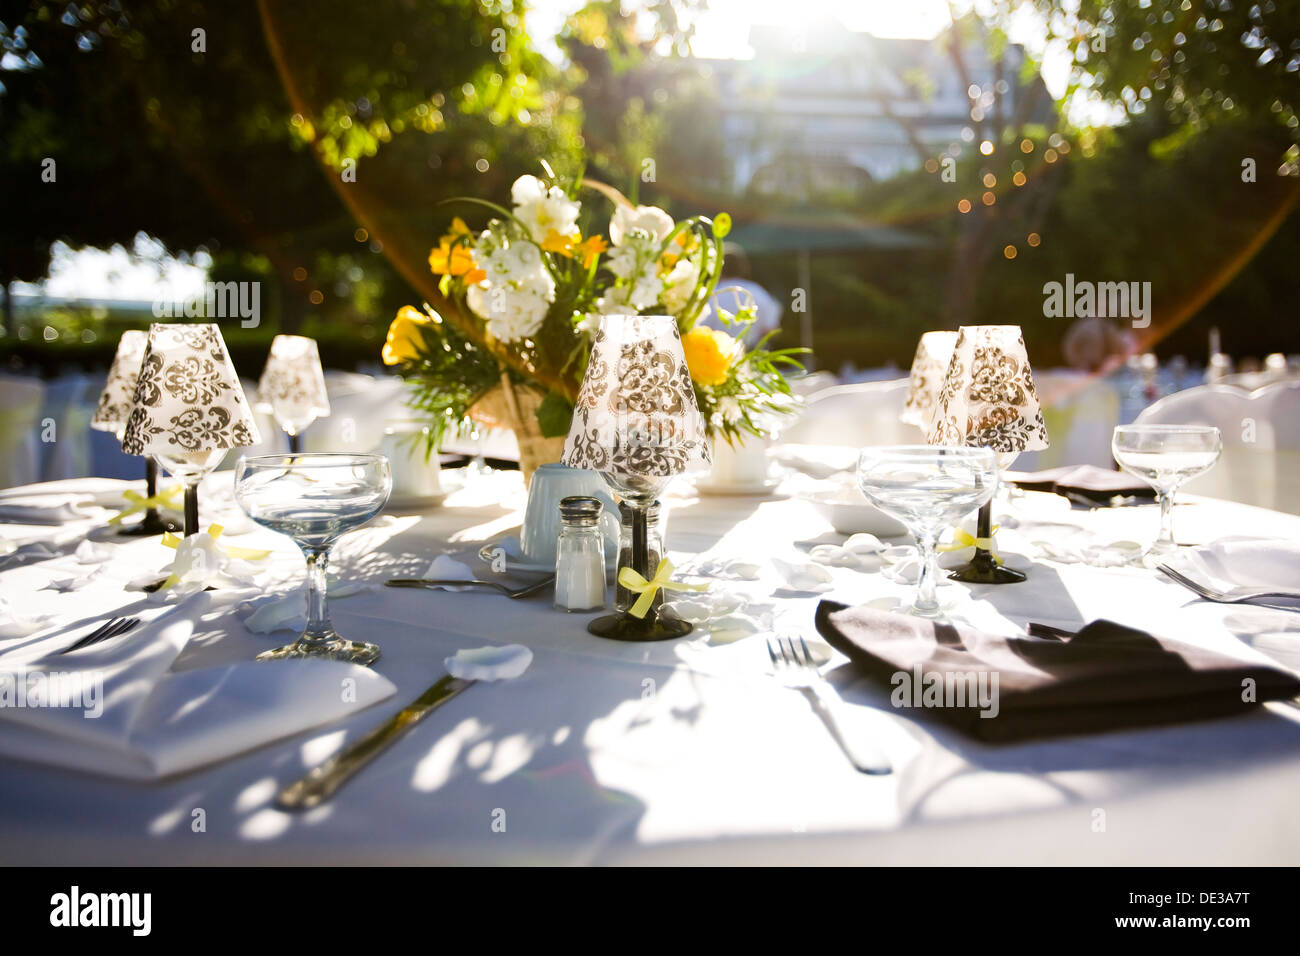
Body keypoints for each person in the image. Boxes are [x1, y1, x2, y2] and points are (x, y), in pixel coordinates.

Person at [701, 243, 783, 341]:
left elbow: (698, 329)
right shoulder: (758, 292)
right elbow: (771, 330)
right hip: (751, 353)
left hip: (713, 352)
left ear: (717, 268)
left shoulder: (710, 294)